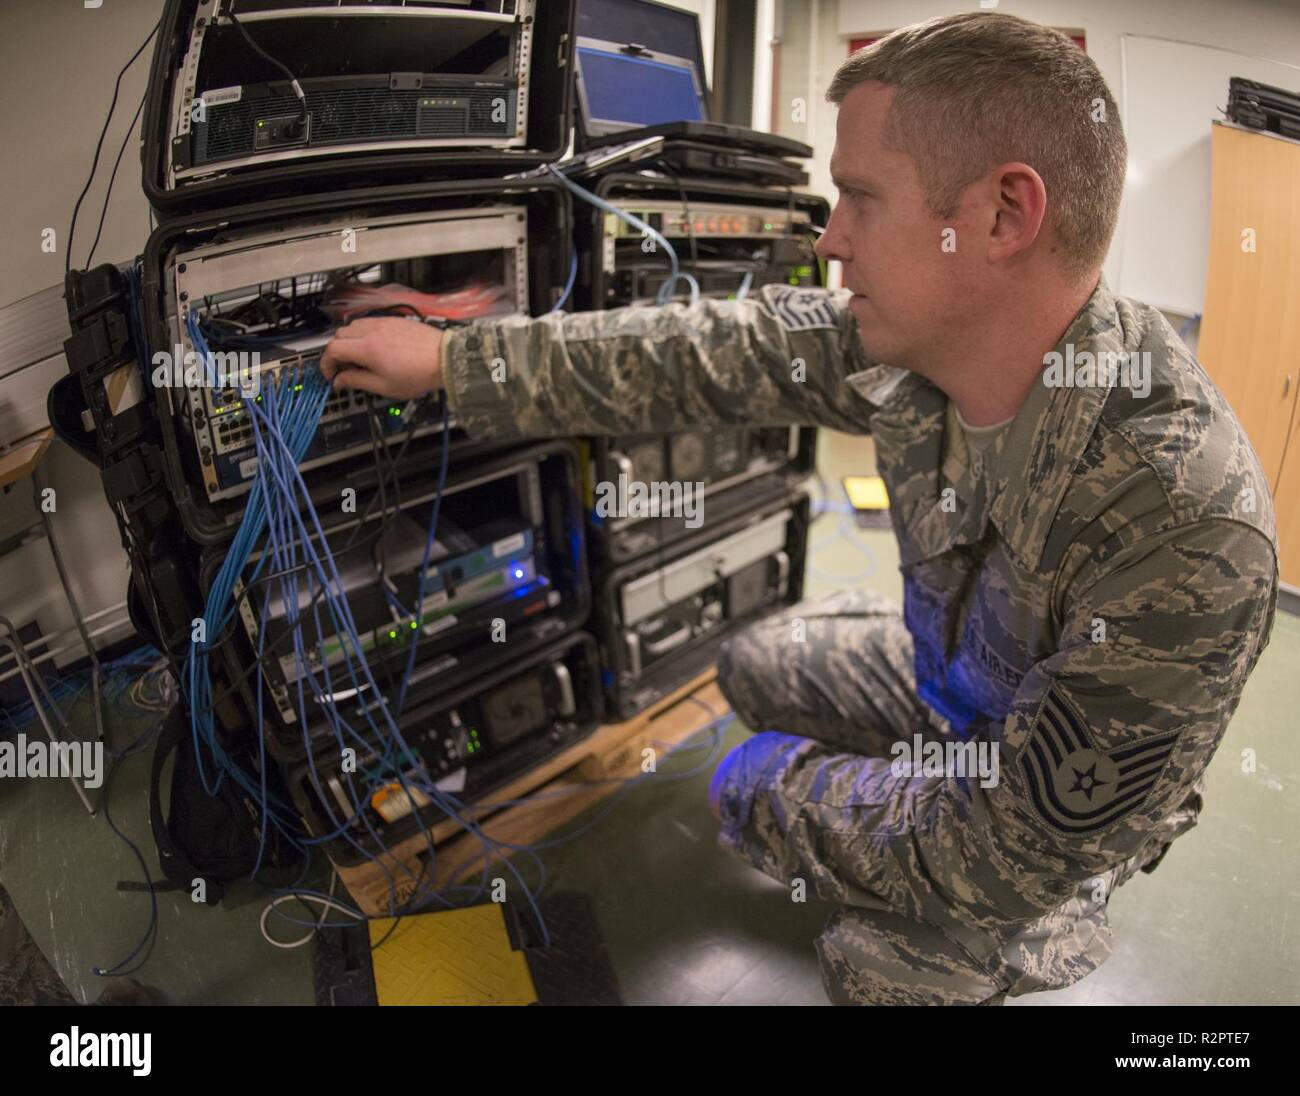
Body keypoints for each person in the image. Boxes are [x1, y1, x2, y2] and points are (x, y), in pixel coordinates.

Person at [320, 12, 1278, 1004]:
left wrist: (768, 793)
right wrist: (449, 358)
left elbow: (1012, 842)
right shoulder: (907, 340)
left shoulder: (1186, 519)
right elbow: (693, 351)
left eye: (860, 199)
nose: (829, 240)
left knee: (867, 956)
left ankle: (1056, 914)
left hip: (1056, 805)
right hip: (963, 672)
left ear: (1001, 217)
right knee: (751, 663)